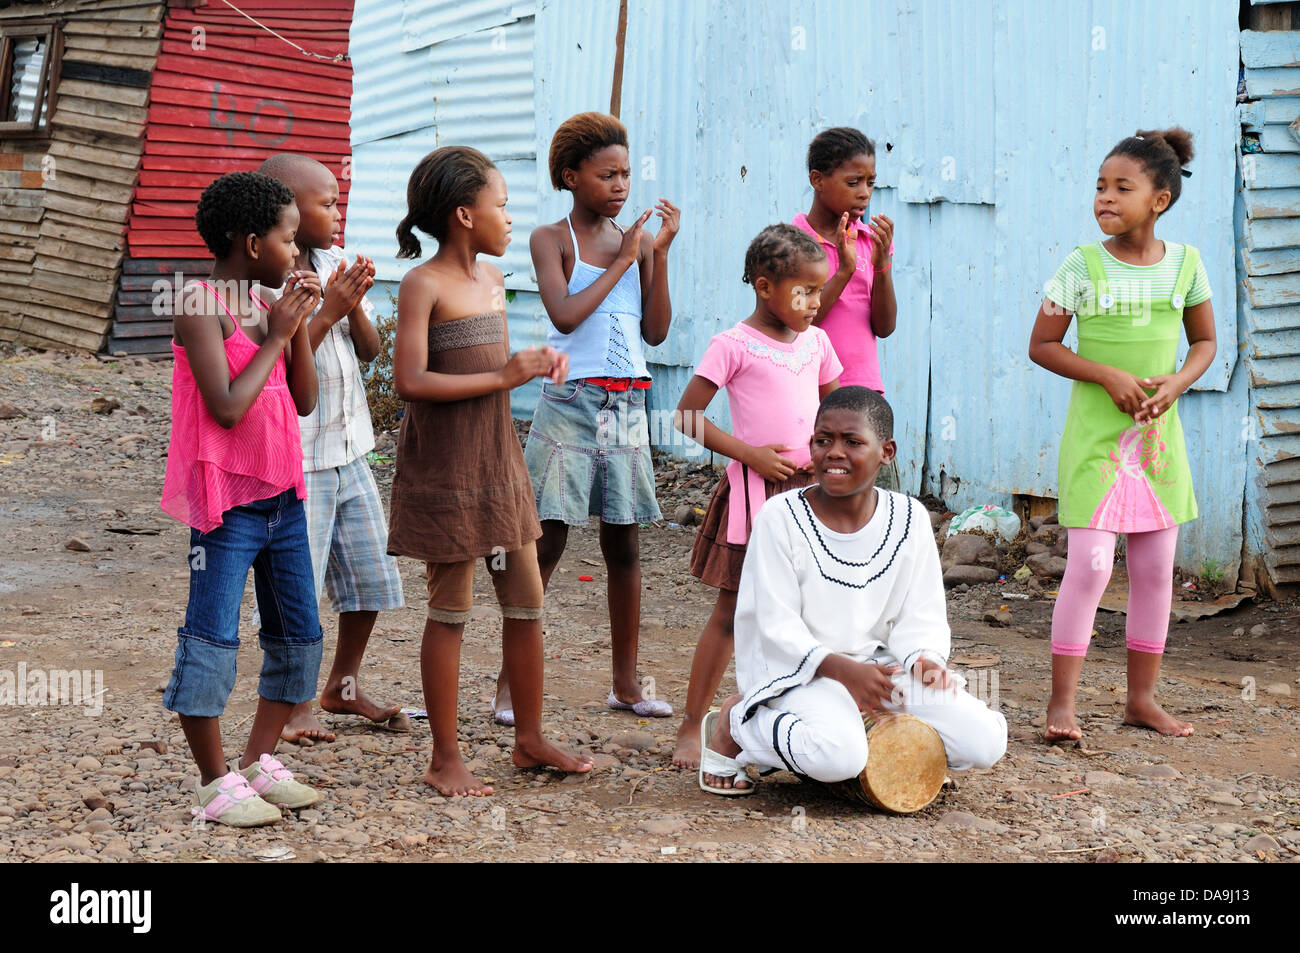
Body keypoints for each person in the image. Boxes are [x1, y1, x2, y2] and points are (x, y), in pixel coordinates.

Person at [387, 145, 594, 796]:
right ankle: (444, 757)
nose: (510, 217)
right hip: (447, 474)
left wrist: (528, 363)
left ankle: (529, 738)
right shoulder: (425, 284)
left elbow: (486, 366)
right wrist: (505, 374)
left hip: (499, 467)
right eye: (501, 206)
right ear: (463, 215)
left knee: (525, 603)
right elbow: (411, 380)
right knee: (450, 612)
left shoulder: (492, 280)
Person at [698, 387, 1007, 794]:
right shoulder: (781, 518)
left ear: (887, 451)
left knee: (984, 740)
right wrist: (844, 672)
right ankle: (738, 724)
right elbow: (774, 625)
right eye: (823, 440)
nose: (835, 452)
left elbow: (922, 614)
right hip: (799, 675)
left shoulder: (910, 518)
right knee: (837, 756)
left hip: (878, 668)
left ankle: (883, 745)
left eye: (853, 442)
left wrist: (925, 662)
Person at [1029, 127, 1215, 741]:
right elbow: (1043, 346)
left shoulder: (1186, 265)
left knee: (1157, 571)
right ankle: (1061, 704)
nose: (1105, 197)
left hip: (1158, 441)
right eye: (1100, 187)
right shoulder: (1081, 265)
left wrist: (1178, 383)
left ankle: (1142, 700)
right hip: (1097, 439)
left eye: (1122, 187)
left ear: (1159, 199)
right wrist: (1105, 372)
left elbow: (1205, 343)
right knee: (1088, 564)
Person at [498, 111, 679, 723]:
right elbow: (566, 316)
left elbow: (654, 331)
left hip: (627, 401)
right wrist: (628, 259)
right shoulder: (554, 240)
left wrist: (658, 259)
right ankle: (509, 687)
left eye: (627, 174)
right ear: (571, 177)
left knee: (623, 545)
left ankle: (626, 685)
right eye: (607, 175)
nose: (621, 186)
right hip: (571, 401)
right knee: (546, 542)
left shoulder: (638, 241)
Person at [160, 171, 326, 826]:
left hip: (284, 498)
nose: (297, 251)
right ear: (252, 242)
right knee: (212, 637)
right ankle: (211, 781)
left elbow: (305, 400)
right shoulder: (198, 303)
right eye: (289, 239)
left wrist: (299, 326)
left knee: (299, 633)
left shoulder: (268, 303)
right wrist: (280, 333)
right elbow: (227, 406)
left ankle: (256, 762)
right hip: (227, 507)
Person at [670, 224, 842, 768]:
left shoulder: (817, 342)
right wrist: (750, 455)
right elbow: (686, 415)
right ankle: (691, 727)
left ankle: (784, 722)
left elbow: (836, 413)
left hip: (813, 494)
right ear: (765, 287)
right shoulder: (733, 345)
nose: (816, 303)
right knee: (731, 610)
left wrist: (828, 455)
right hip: (756, 491)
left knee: (811, 612)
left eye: (819, 290)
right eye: (805, 291)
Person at [256, 153, 407, 746]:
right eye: (327, 203)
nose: (337, 212)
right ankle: (293, 706)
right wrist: (330, 309)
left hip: (352, 448)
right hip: (301, 459)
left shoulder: (337, 263)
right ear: (288, 209)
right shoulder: (268, 277)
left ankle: (341, 685)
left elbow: (368, 351)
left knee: (368, 578)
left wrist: (358, 301)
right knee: (299, 590)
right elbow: (285, 350)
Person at [792, 127, 900, 491]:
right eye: (853, 181)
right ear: (817, 180)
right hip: (811, 394)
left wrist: (882, 264)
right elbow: (799, 321)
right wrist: (844, 270)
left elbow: (883, 327)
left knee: (876, 498)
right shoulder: (793, 243)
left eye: (870, 182)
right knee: (820, 499)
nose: (864, 192)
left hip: (866, 391)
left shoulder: (869, 240)